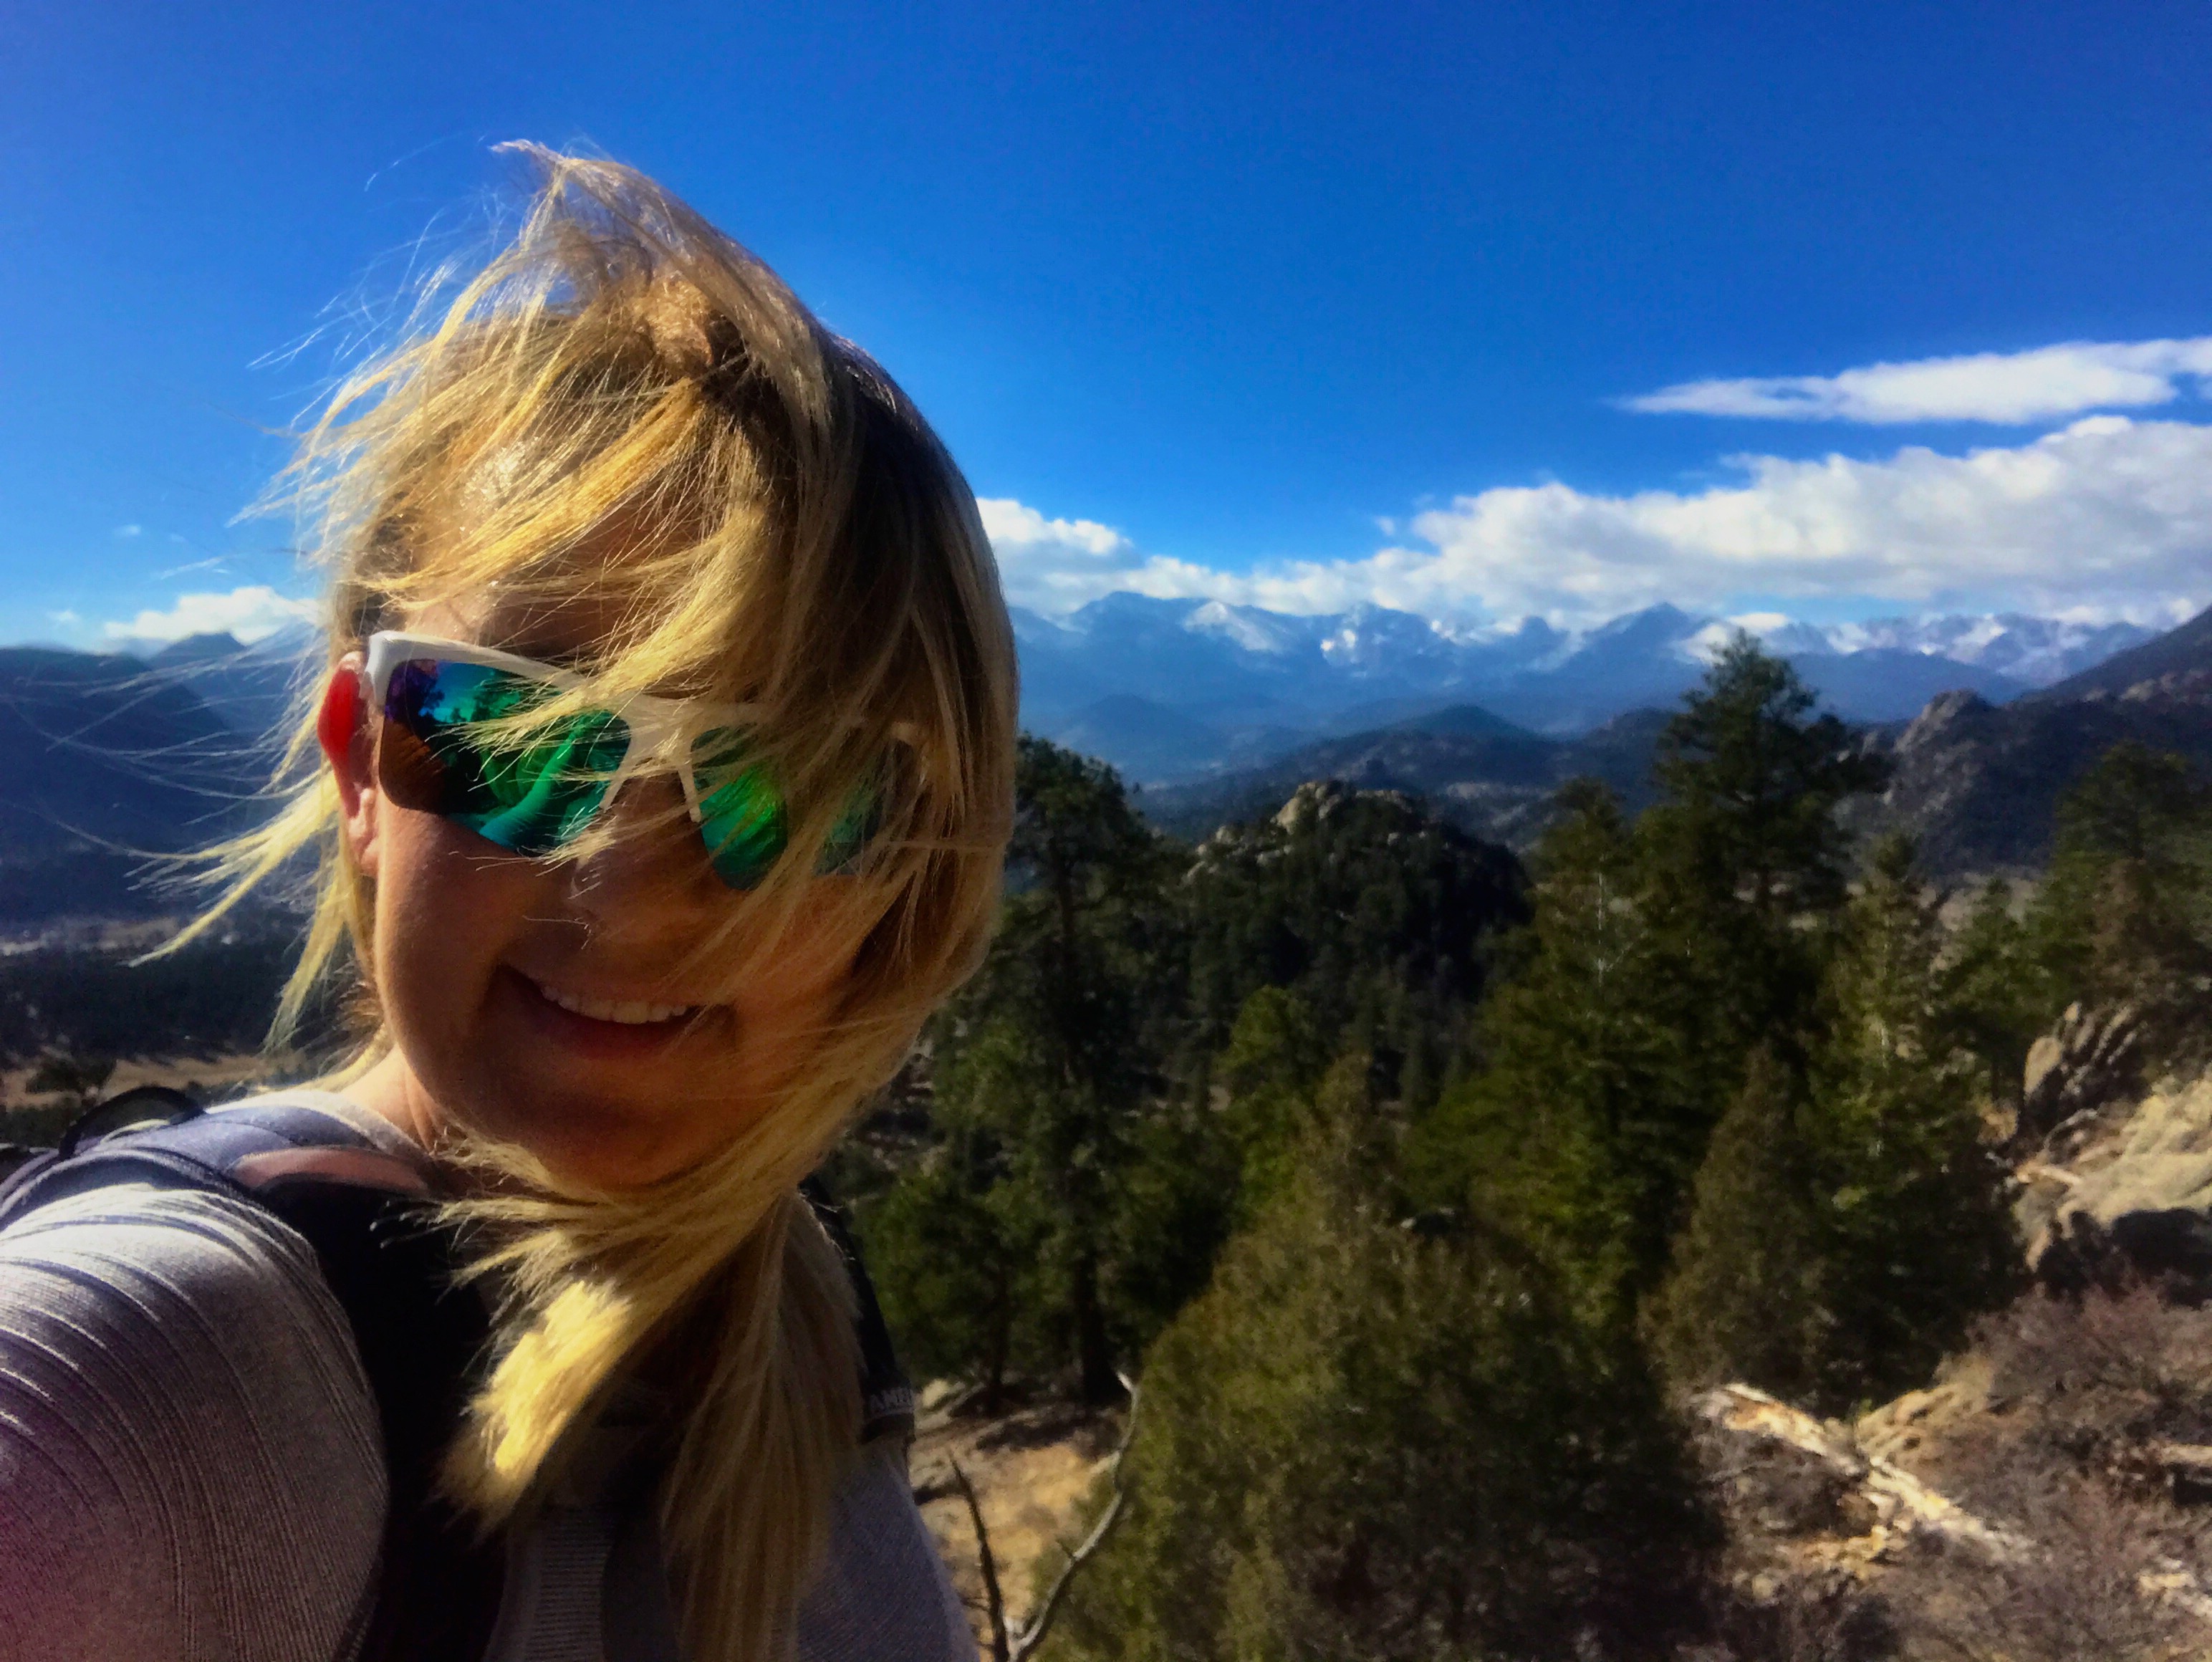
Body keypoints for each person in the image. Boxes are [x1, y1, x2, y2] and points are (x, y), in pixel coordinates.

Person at [0, 147, 1016, 1661]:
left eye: (790, 783)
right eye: (514, 733)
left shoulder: (786, 1306)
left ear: (914, 867)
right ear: (363, 767)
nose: (627, 893)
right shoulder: (153, 1373)